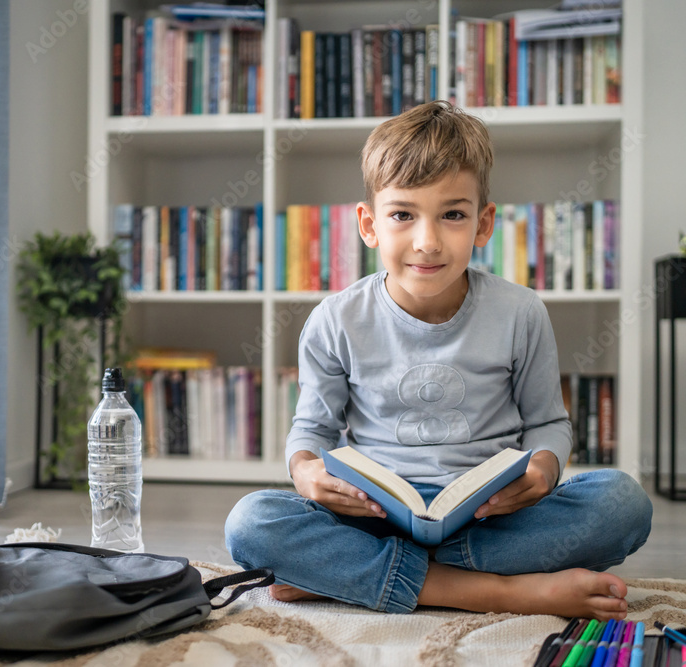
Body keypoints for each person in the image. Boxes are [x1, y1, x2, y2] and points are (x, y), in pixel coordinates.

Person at [224, 101, 652, 621]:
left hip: (488, 518)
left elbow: (547, 423)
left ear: (483, 222)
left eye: (452, 214)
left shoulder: (521, 312)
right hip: (376, 514)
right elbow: (310, 431)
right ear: (369, 224)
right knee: (251, 522)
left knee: (622, 503)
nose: (427, 242)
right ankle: (502, 591)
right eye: (403, 214)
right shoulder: (335, 319)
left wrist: (542, 468)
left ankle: (357, 575)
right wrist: (307, 473)